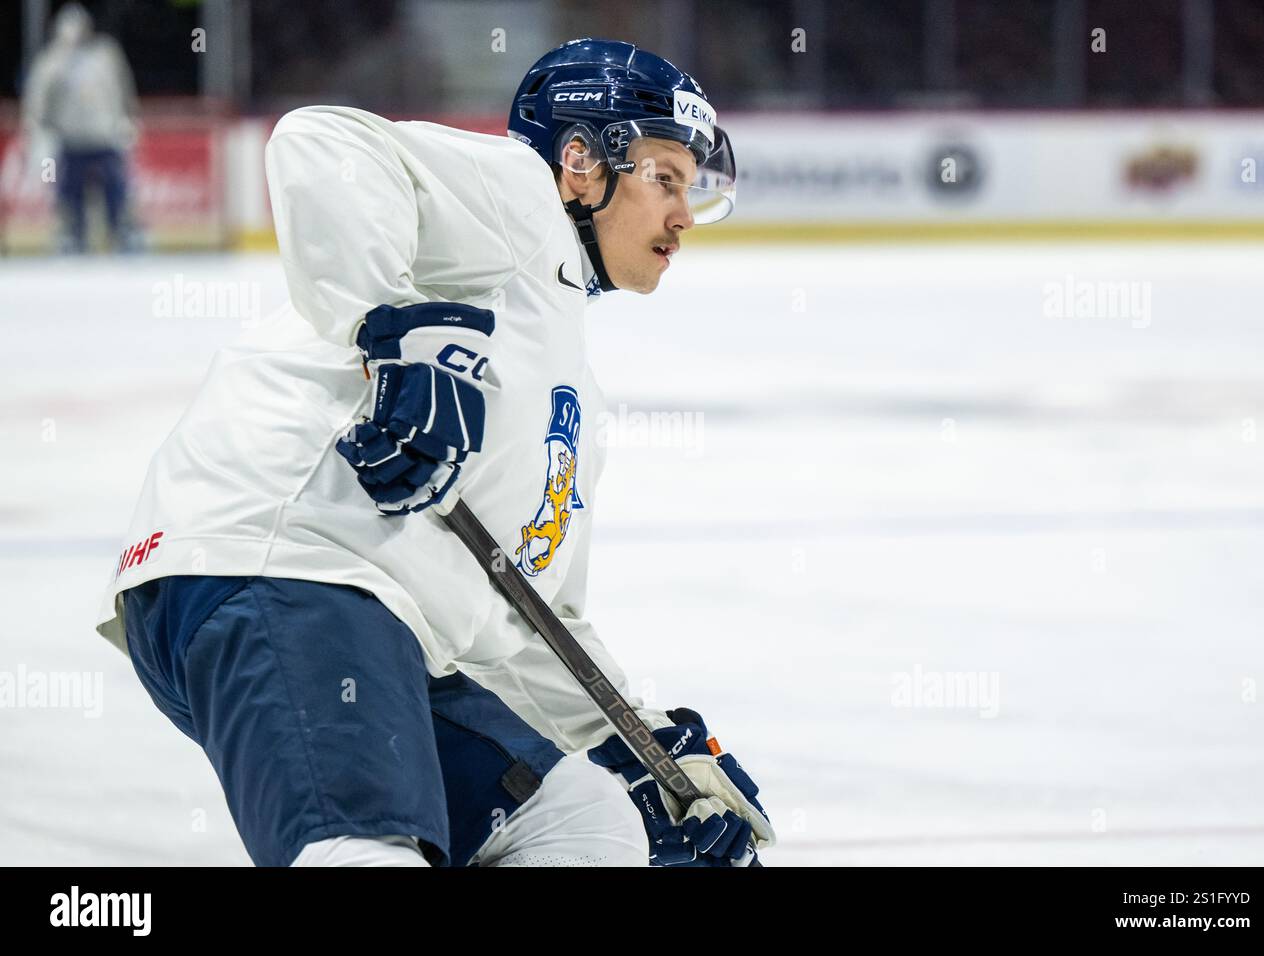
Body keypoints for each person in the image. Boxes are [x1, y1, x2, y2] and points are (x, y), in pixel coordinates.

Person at [95, 37, 775, 867]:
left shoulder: (569, 392)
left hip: (377, 629)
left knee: (582, 822)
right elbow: (321, 143)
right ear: (579, 165)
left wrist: (648, 752)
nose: (681, 213)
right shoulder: (520, 204)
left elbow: (525, 620)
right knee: (365, 849)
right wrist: (395, 335)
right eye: (663, 178)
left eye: (690, 188)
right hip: (284, 565)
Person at [21, 2, 139, 253]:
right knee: (69, 193)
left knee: (116, 188)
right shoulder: (51, 60)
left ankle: (122, 231)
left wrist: (128, 118)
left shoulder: (106, 54)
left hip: (105, 137)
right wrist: (39, 130)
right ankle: (72, 233)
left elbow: (123, 88)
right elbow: (37, 99)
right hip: (70, 140)